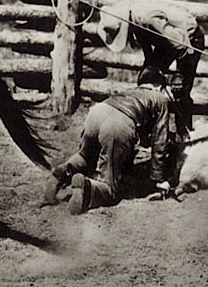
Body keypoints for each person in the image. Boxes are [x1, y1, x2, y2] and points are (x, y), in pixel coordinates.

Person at [46, 67, 173, 215]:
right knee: (111, 191)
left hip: (97, 113)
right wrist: (158, 179)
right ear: (158, 85)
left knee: (86, 156)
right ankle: (87, 188)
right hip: (118, 123)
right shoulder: (160, 98)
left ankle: (62, 172)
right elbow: (159, 142)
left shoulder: (130, 92)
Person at [96, 0, 203, 136]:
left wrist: (179, 74)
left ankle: (184, 134)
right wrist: (150, 70)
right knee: (146, 82)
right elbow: (148, 47)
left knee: (180, 91)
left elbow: (179, 43)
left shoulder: (147, 19)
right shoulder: (134, 20)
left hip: (188, 40)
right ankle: (149, 132)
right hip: (167, 42)